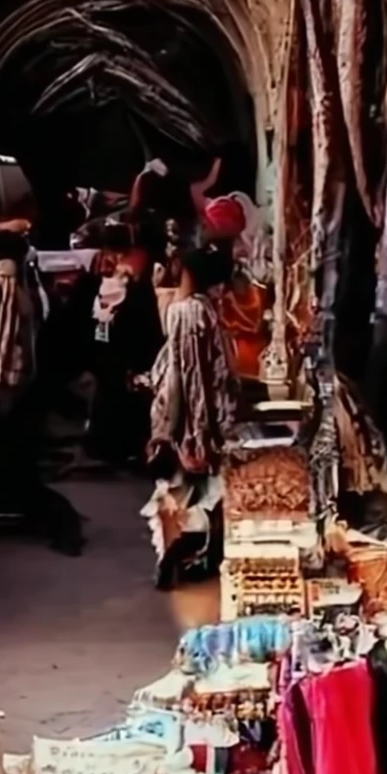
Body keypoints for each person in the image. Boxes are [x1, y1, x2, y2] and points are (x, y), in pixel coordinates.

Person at [0, 226, 85, 556]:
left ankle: (64, 526)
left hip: (0, 401)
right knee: (7, 473)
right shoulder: (6, 286)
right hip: (4, 399)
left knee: (15, 477)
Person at [143, 244, 237, 589]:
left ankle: (176, 557)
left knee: (178, 493)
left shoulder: (187, 312)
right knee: (200, 494)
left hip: (188, 423)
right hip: (200, 422)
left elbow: (187, 377)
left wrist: (177, 432)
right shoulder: (206, 310)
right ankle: (196, 556)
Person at [83, 223, 165, 466]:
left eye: (119, 252)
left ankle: (125, 446)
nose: (114, 258)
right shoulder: (100, 279)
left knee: (125, 400)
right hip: (109, 352)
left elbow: (147, 324)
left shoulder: (142, 284)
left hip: (128, 355)